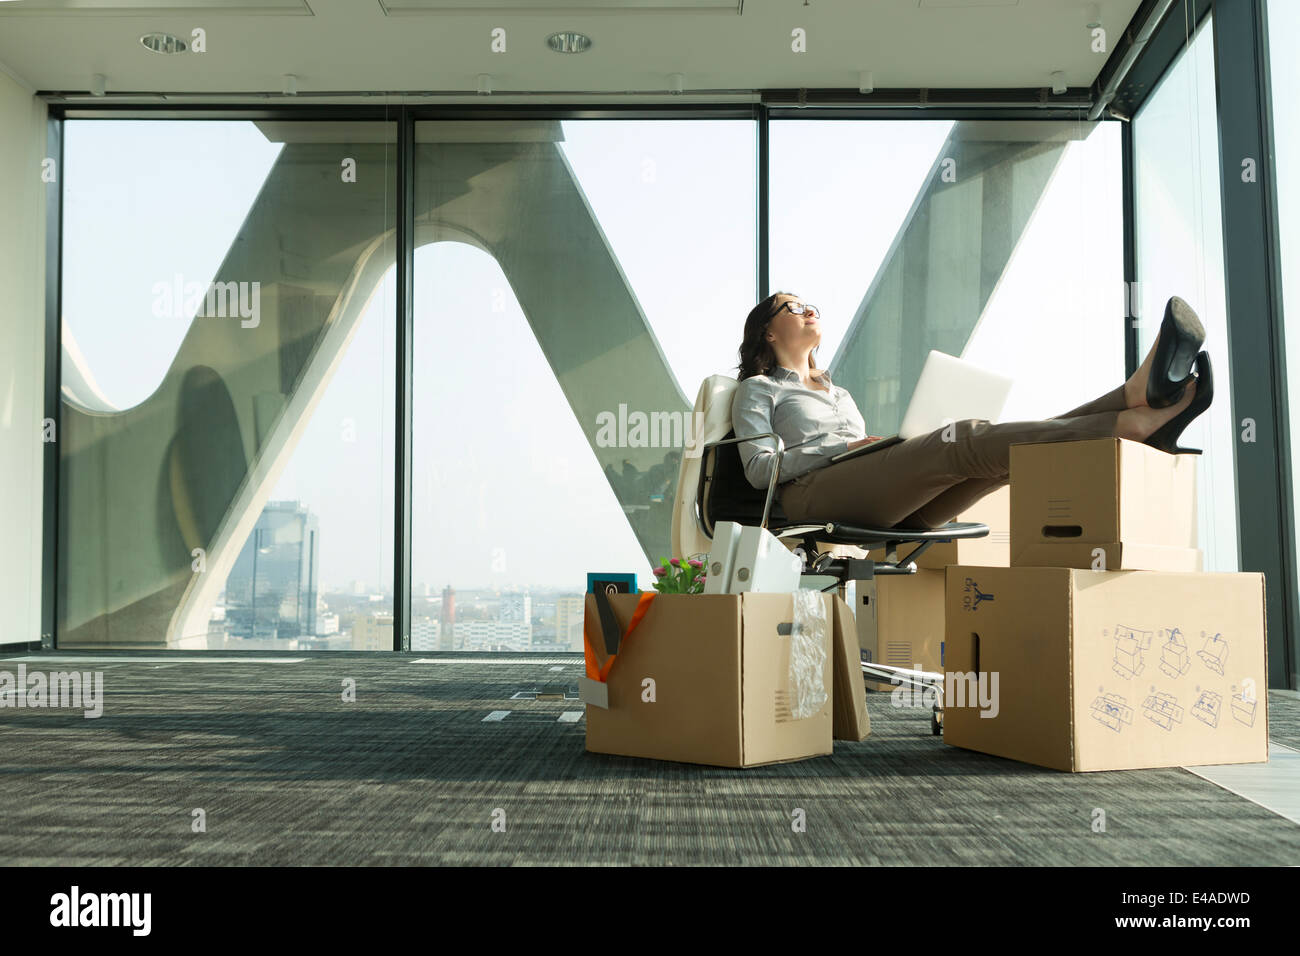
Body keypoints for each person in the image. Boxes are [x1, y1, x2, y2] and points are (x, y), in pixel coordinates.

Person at [730, 291, 1214, 530]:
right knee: (962, 442)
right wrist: (847, 446)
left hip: (875, 500)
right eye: (792, 307)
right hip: (804, 499)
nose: (807, 309)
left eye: (809, 303)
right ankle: (1127, 414)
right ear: (769, 333)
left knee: (1001, 459)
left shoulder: (839, 392)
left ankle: (1127, 404)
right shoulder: (759, 390)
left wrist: (869, 449)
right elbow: (759, 471)